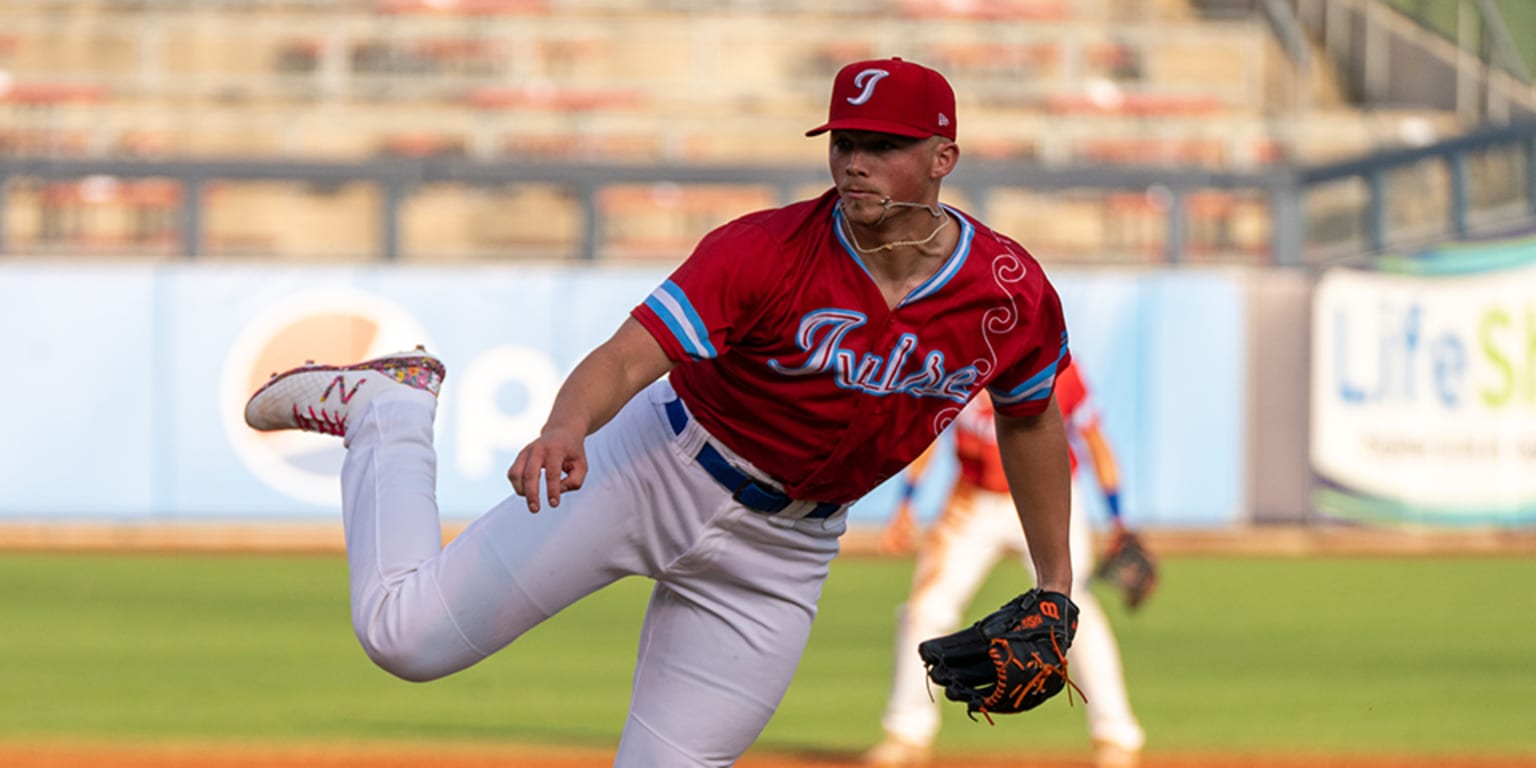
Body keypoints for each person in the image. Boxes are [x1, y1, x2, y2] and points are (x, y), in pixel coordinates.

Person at [244, 57, 1077, 768]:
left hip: (786, 550)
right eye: (846, 143)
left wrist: (1055, 586)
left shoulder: (1007, 291)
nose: (856, 162)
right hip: (658, 467)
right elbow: (627, 356)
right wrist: (567, 428)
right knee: (407, 636)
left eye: (884, 147)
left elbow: (1032, 417)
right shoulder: (765, 250)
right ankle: (389, 414)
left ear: (943, 157)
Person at [864, 357, 1147, 768]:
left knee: (1073, 609)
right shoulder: (955, 355)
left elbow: (1095, 441)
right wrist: (905, 504)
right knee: (925, 609)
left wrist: (1118, 518)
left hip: (1046, 497)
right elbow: (929, 435)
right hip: (973, 501)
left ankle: (1116, 737)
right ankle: (907, 733)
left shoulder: (1055, 365)